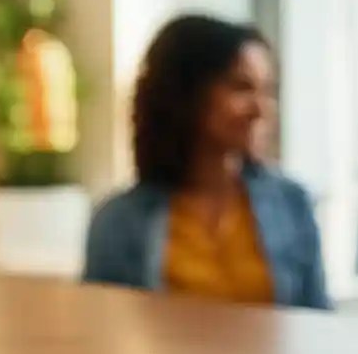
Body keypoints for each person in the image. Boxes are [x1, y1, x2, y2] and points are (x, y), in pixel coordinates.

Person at [83, 16, 330, 309]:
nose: (261, 109)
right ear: (188, 94)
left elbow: (319, 324)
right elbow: (103, 334)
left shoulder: (292, 205)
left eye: (267, 91)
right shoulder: (120, 222)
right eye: (242, 88)